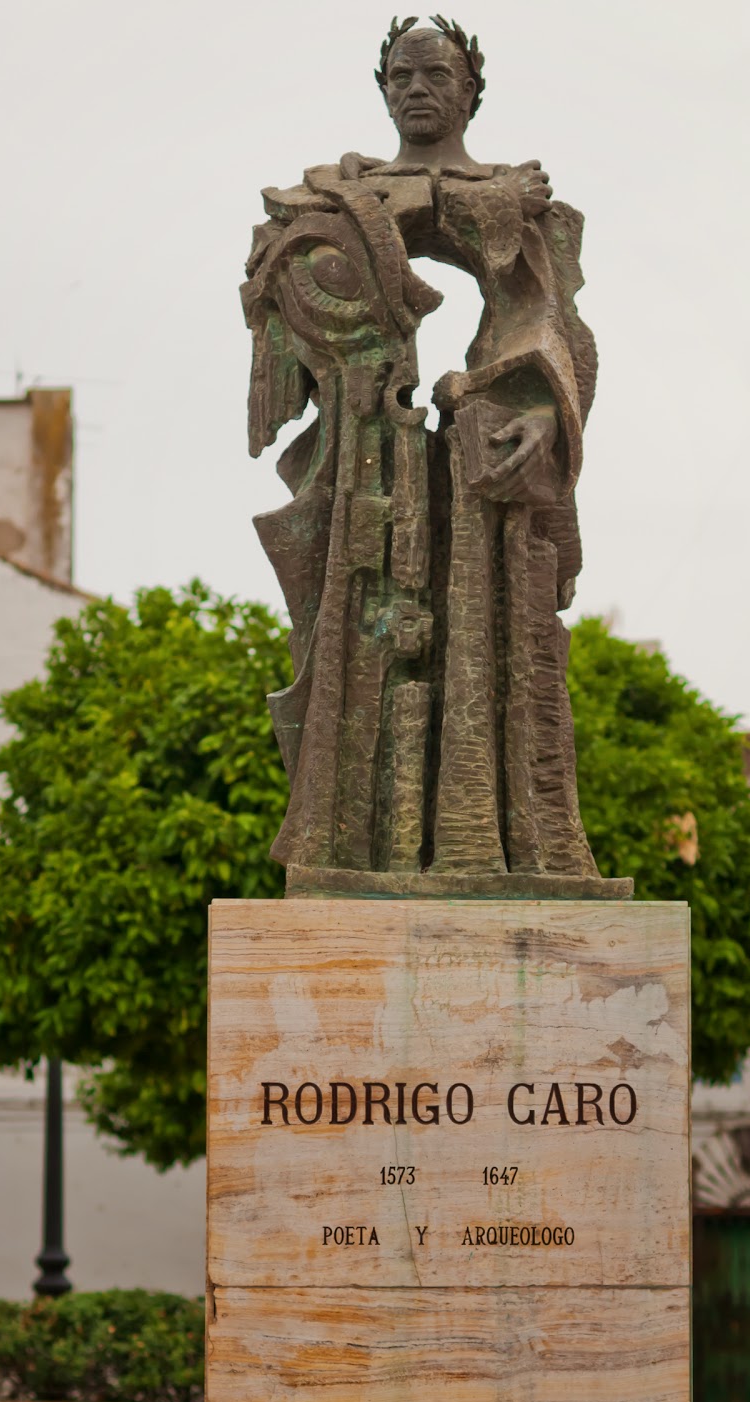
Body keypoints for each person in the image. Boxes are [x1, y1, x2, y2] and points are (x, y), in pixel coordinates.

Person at [241, 17, 600, 885]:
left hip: (484, 467)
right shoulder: (336, 197)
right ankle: (352, 849)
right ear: (383, 87)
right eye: (401, 74)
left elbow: (559, 328)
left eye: (436, 74)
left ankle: (504, 846)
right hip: (370, 456)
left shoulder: (521, 200)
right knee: (360, 650)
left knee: (497, 649)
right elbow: (283, 284)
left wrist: (542, 418)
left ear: (472, 87)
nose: (417, 89)